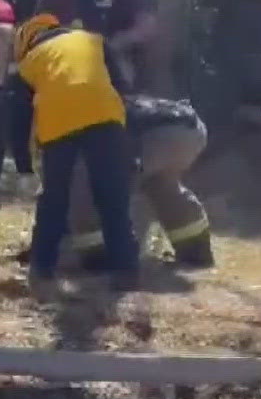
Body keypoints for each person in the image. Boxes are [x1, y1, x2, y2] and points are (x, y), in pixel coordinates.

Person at [5, 13, 139, 291]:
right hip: (106, 117)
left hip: (58, 123)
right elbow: (122, 88)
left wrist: (23, 167)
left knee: (54, 200)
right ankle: (126, 271)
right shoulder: (94, 40)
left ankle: (42, 269)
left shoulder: (29, 62)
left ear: (26, 42)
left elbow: (18, 120)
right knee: (112, 197)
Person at [65, 95, 214, 270]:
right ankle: (196, 252)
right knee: (162, 186)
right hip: (192, 129)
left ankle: (102, 260)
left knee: (89, 189)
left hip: (155, 135)